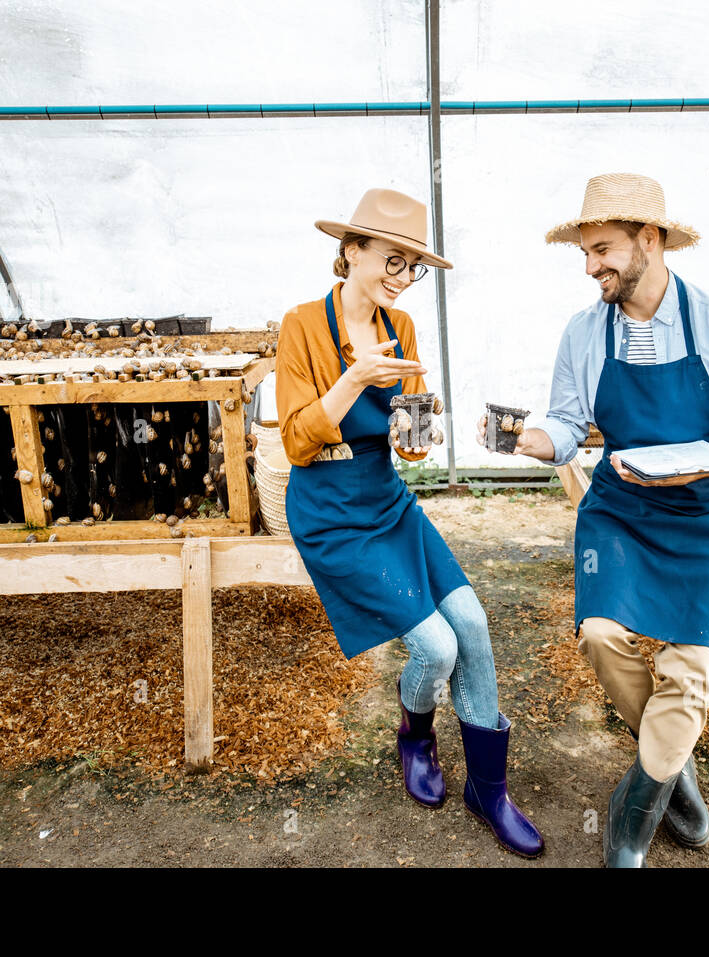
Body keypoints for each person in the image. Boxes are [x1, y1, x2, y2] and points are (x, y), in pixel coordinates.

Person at [479, 173, 709, 866]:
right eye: (585, 252)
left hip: (705, 513)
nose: (591, 267)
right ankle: (676, 764)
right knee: (600, 634)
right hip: (622, 508)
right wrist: (534, 439)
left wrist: (679, 462)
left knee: (693, 667)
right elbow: (568, 421)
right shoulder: (585, 332)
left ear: (650, 240)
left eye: (603, 249)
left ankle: (636, 808)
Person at [277, 187, 543, 858]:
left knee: (474, 625)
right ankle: (415, 736)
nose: (404, 278)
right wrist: (356, 377)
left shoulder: (404, 329)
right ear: (352, 251)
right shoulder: (302, 325)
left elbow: (412, 444)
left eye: (412, 267)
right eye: (393, 261)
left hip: (386, 498)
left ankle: (490, 788)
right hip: (331, 512)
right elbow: (298, 443)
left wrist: (417, 426)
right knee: (438, 647)